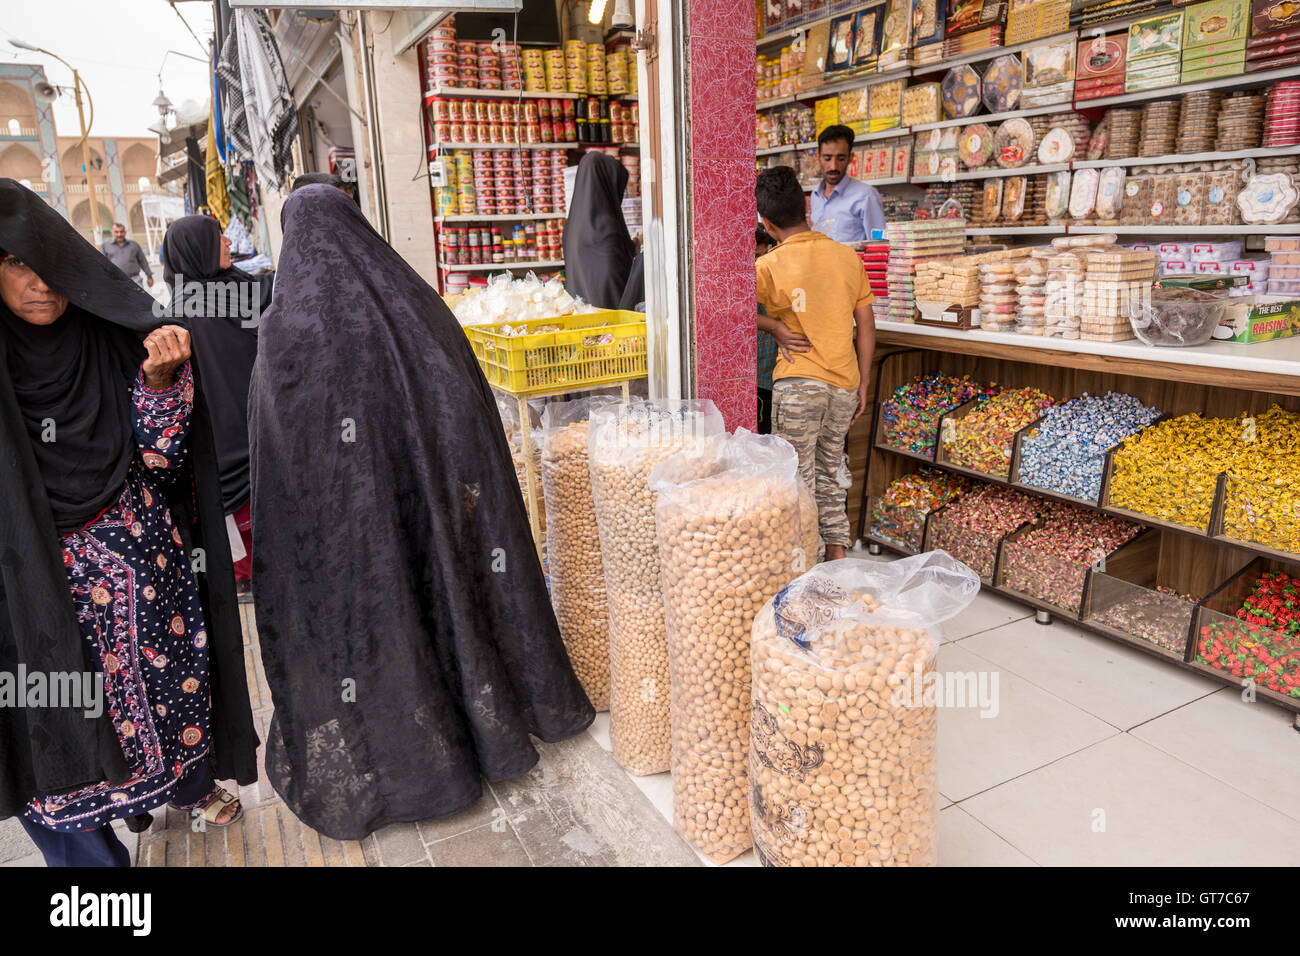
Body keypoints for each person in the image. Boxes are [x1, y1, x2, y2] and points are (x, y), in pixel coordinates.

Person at [247, 183, 595, 841]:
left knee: (382, 629)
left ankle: (410, 757)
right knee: (442, 607)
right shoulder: (415, 304)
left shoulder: (287, 328)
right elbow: (462, 407)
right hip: (428, 509)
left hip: (343, 529)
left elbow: (277, 452)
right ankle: (474, 734)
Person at [0, 179, 259, 866]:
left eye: (47, 262)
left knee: (162, 702)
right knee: (53, 733)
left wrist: (161, 386)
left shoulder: (113, 338)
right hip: (30, 592)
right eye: (16, 266)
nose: (39, 284)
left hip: (138, 566)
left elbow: (161, 461)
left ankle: (183, 787)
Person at [755, 166, 875, 562]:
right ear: (806, 206)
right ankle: (837, 555)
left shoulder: (768, 265)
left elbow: (731, 307)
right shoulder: (846, 257)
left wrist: (773, 325)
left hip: (798, 384)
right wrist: (863, 383)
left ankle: (805, 564)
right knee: (831, 474)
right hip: (844, 382)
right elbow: (866, 325)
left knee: (797, 479)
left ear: (767, 225)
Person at [160, 215, 272, 597]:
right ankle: (251, 574)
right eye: (216, 236)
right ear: (196, 249)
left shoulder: (225, 286)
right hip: (228, 426)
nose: (226, 240)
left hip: (254, 414)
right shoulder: (190, 305)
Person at [562, 151, 638, 309]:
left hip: (581, 315)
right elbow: (614, 273)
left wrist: (632, 245)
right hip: (609, 320)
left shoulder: (572, 225)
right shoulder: (606, 227)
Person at [810, 125, 886, 244]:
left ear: (851, 158)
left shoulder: (866, 196)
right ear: (817, 157)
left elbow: (880, 245)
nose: (833, 166)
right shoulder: (815, 196)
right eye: (827, 158)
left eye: (841, 159)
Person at [755, 225, 777, 434]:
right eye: (753, 256)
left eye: (761, 255)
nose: (757, 262)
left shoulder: (773, 275)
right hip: (756, 378)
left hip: (768, 377)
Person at [100, 222, 154, 289]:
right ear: (112, 232)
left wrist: (149, 276)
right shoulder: (105, 246)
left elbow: (143, 261)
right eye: (116, 232)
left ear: (125, 232)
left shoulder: (134, 245)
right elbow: (101, 265)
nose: (119, 234)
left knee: (139, 299)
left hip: (135, 280)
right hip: (115, 281)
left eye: (121, 232)